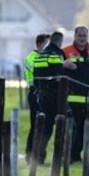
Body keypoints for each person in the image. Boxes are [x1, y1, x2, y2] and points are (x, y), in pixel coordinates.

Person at [32, 30, 75, 161]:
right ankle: (62, 155)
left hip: (42, 95)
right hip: (56, 96)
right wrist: (66, 65)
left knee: (46, 127)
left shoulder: (40, 55)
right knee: (65, 123)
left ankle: (39, 156)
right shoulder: (57, 54)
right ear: (60, 42)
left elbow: (35, 76)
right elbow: (58, 74)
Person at [62, 25, 89, 163]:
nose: (82, 38)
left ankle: (77, 155)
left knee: (85, 127)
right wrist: (62, 65)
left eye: (84, 36)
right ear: (75, 36)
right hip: (71, 97)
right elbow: (59, 70)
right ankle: (70, 154)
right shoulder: (66, 51)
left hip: (88, 96)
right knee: (73, 127)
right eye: (80, 35)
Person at [24, 32, 50, 158]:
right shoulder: (33, 57)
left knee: (41, 124)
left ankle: (37, 153)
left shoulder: (37, 56)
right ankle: (30, 153)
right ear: (40, 44)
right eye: (47, 44)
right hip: (35, 92)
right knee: (35, 125)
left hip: (39, 92)